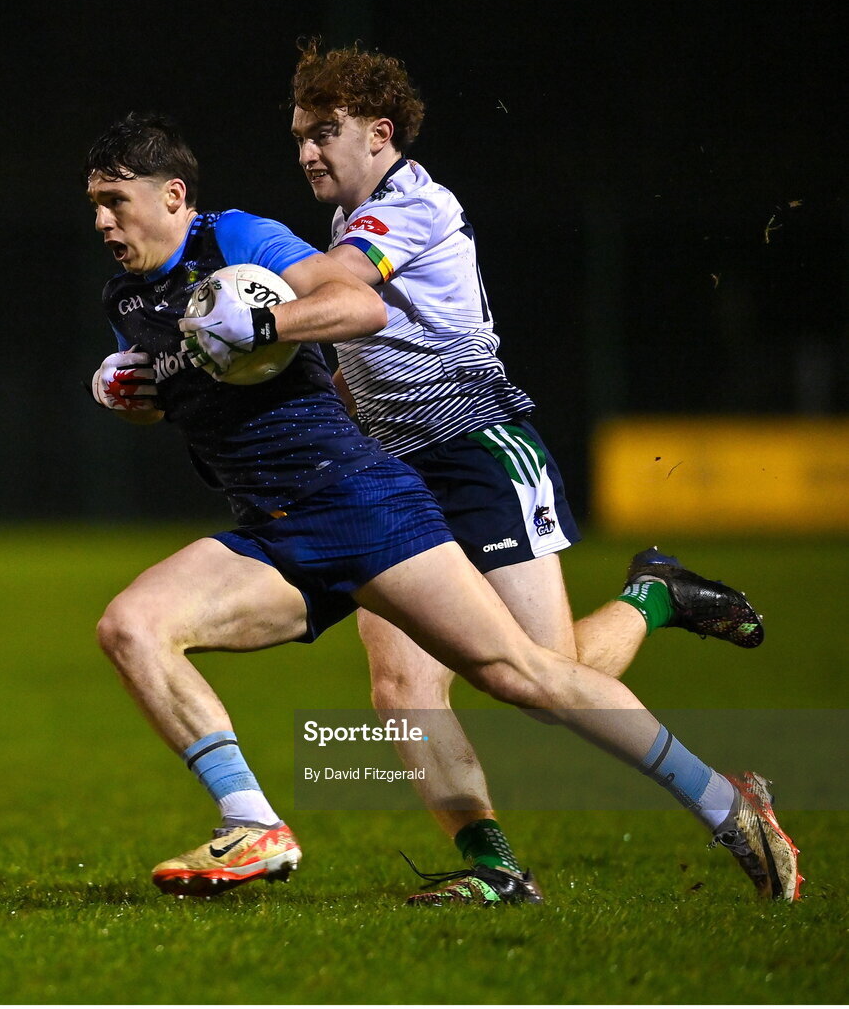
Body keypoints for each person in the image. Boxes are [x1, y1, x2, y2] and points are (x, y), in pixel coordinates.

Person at [84, 111, 801, 905]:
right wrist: (139, 393)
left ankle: (729, 807)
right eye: (94, 205)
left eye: (116, 200)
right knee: (133, 626)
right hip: (273, 530)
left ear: (174, 194)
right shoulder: (128, 294)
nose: (103, 221)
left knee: (526, 677)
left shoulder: (241, 239)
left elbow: (361, 309)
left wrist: (266, 319)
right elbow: (193, 381)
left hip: (359, 503)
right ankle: (257, 825)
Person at [288, 41, 773, 905]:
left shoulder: (413, 204)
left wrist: (234, 307)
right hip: (396, 473)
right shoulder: (347, 222)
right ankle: (496, 869)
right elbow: (366, 351)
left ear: (379, 131)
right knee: (402, 682)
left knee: (543, 679)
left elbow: (345, 282)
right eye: (299, 137)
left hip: (475, 452)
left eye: (324, 133)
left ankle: (653, 598)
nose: (307, 152)